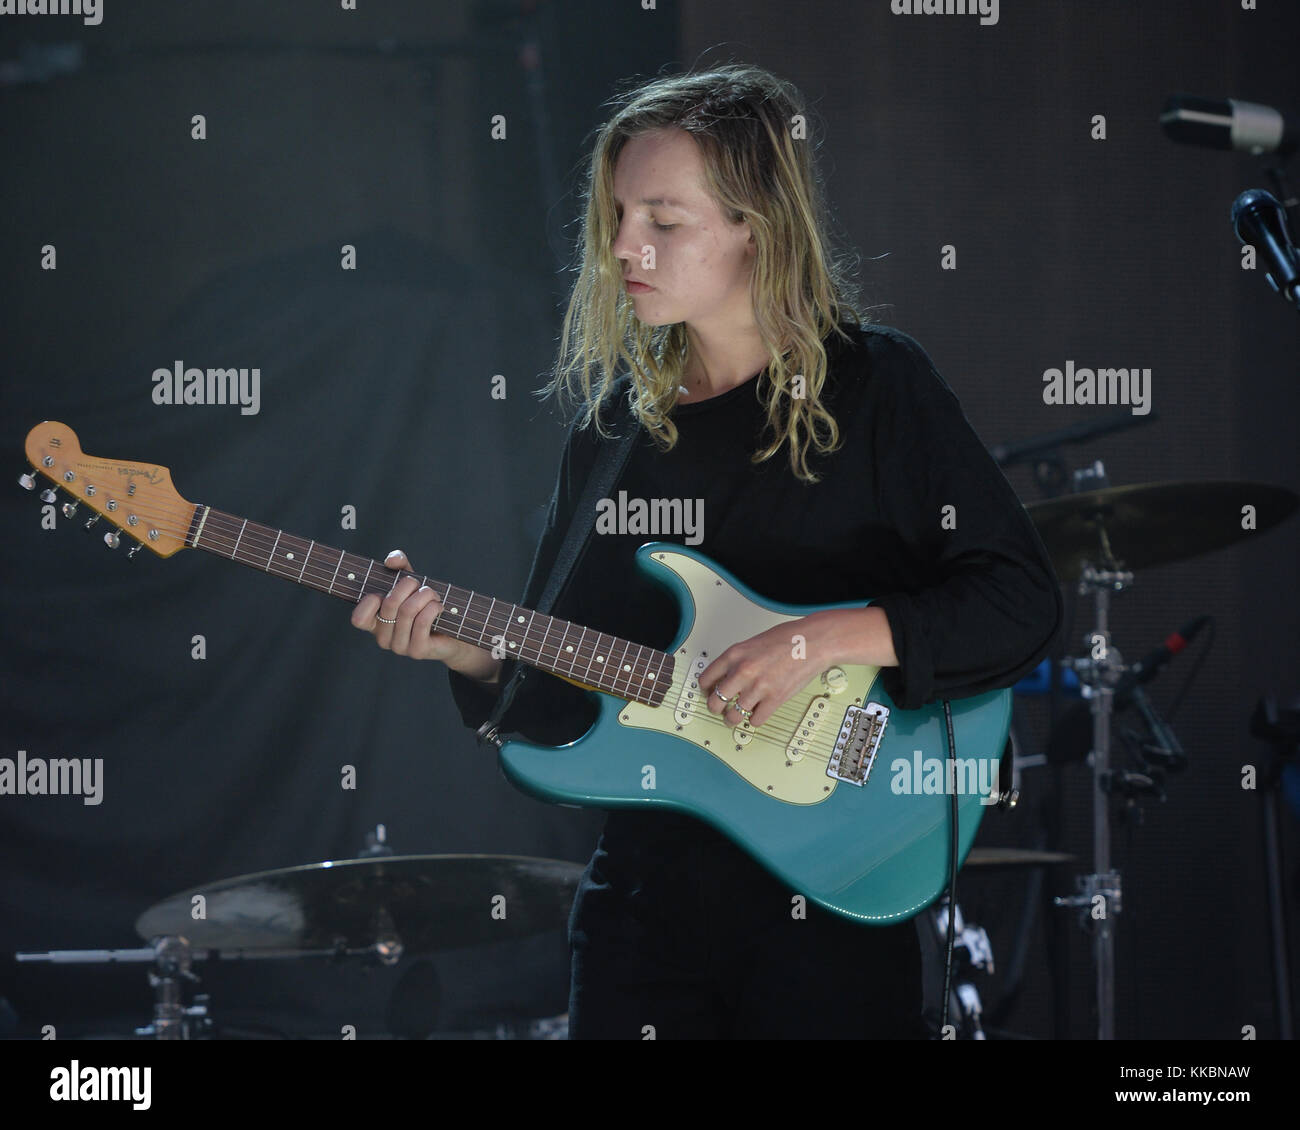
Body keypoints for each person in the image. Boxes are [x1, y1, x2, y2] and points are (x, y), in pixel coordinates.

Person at [351, 63, 1062, 1039]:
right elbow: (567, 693)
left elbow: (1018, 604)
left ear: (753, 226)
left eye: (661, 219)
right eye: (614, 215)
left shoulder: (875, 388)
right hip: (645, 911)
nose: (620, 246)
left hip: (832, 897)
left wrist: (818, 641)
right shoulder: (615, 433)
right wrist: (463, 649)